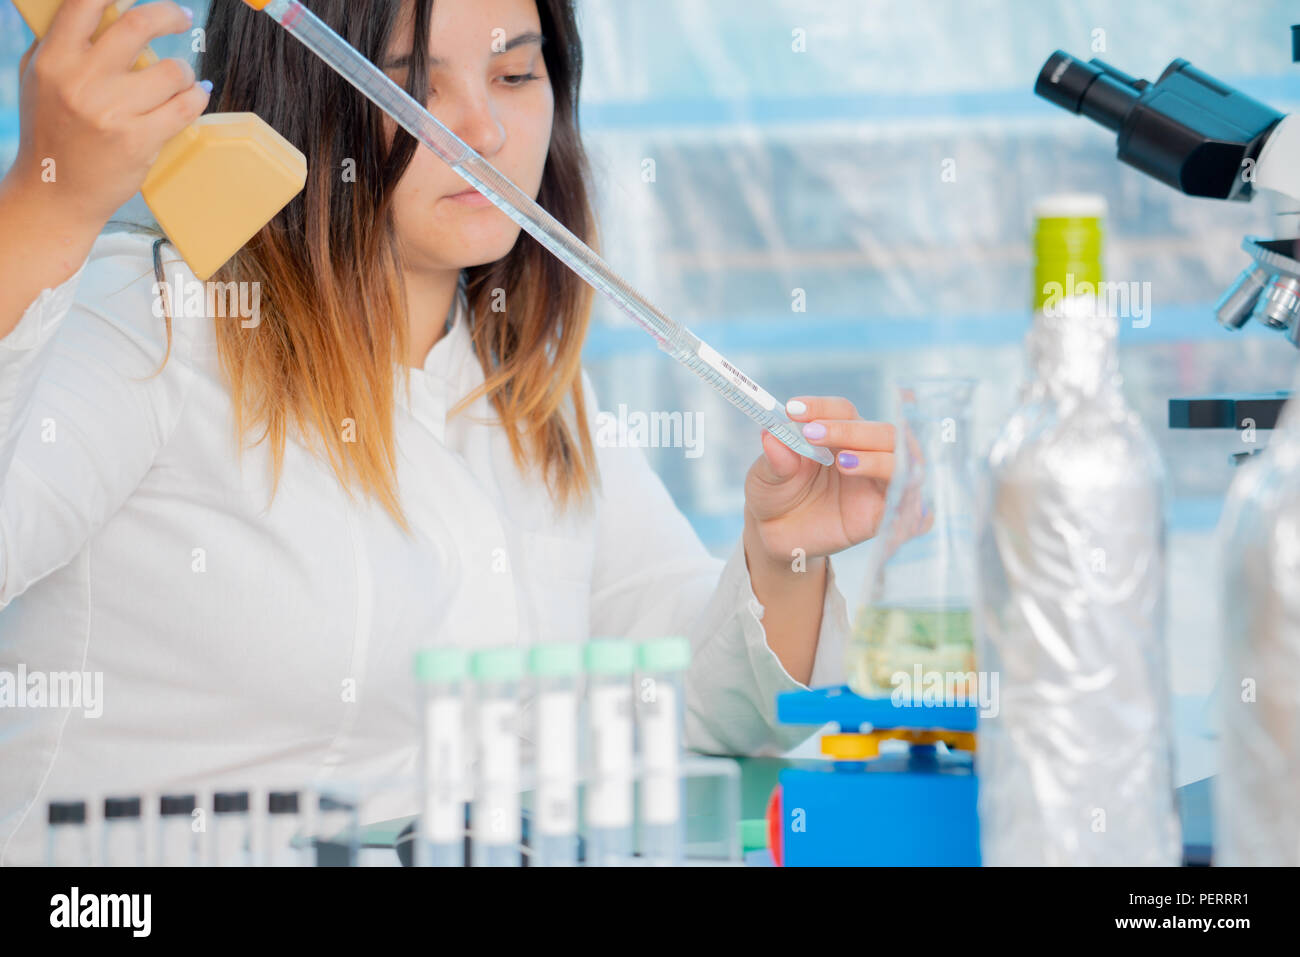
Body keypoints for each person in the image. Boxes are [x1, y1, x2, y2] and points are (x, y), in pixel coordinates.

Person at [0, 0, 895, 865]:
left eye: (514, 74)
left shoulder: (532, 391)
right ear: (294, 89)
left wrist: (785, 558)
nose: (485, 131)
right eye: (414, 85)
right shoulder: (154, 323)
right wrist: (44, 207)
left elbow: (700, 703)